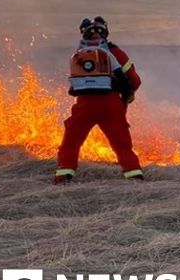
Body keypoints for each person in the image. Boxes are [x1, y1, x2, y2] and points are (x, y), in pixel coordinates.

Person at [55, 16, 143, 183]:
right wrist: (126, 95)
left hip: (84, 106)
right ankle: (135, 177)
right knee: (122, 145)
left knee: (71, 143)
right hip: (111, 105)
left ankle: (63, 178)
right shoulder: (115, 52)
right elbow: (135, 81)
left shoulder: (78, 54)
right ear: (106, 32)